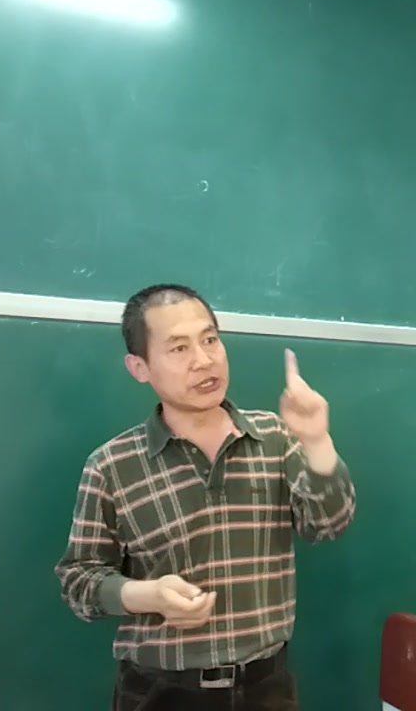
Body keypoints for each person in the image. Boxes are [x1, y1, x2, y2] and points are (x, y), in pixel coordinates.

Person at [55, 284, 357, 710]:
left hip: (265, 687)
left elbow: (328, 524)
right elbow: (79, 580)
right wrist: (148, 596)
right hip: (160, 692)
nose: (203, 360)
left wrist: (316, 440)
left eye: (210, 340)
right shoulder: (112, 465)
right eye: (179, 348)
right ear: (139, 367)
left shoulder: (274, 437)